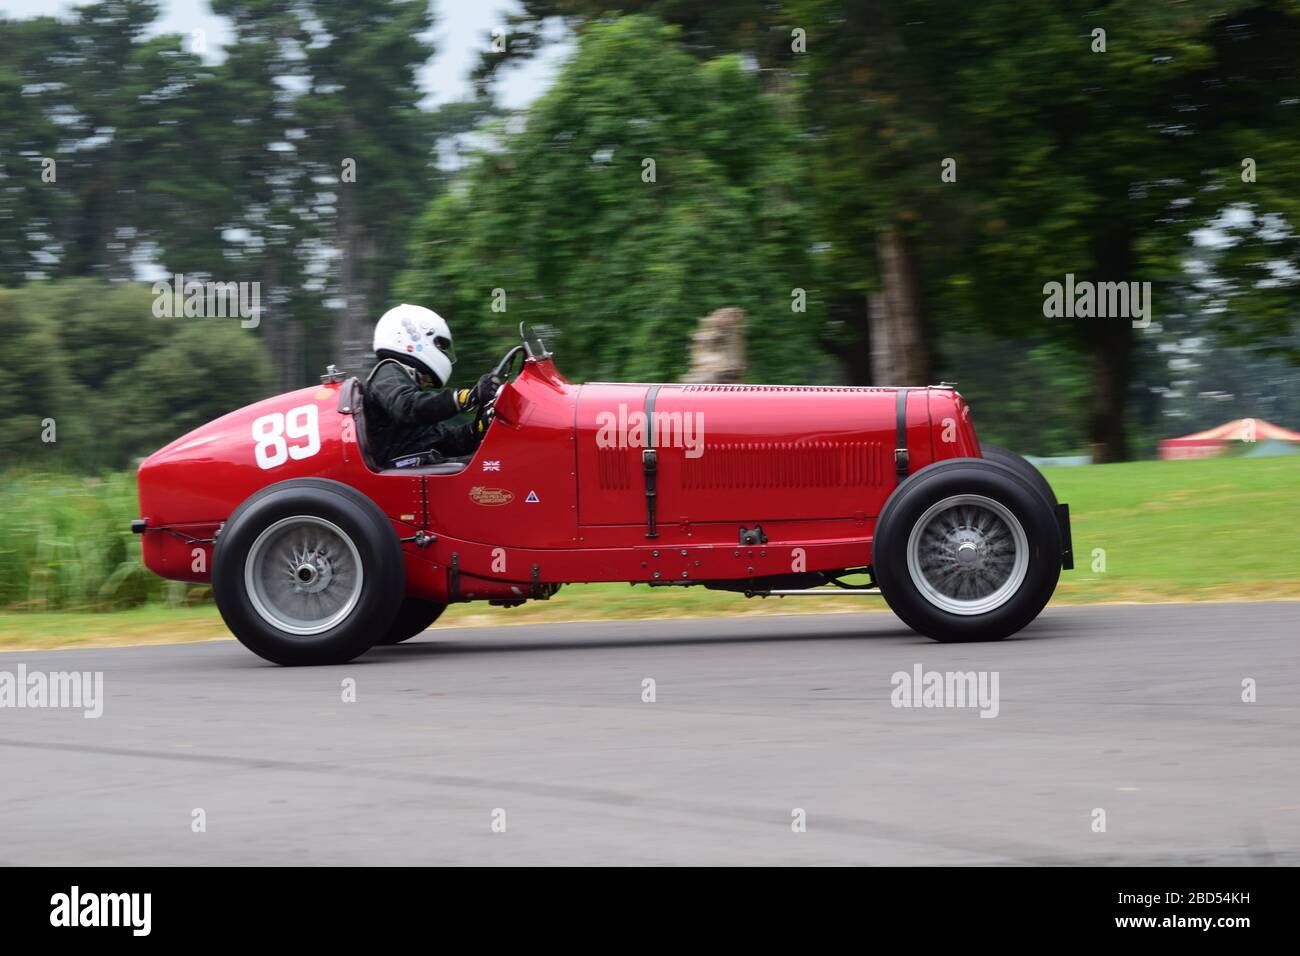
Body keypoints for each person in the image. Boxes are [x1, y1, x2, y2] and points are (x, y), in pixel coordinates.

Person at [364, 304, 500, 467]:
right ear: (410, 337)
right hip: (405, 469)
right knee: (497, 466)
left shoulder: (404, 383)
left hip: (416, 464)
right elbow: (407, 407)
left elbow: (444, 439)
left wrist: (479, 428)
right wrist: (466, 398)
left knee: (497, 461)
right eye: (439, 345)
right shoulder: (387, 371)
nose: (441, 352)